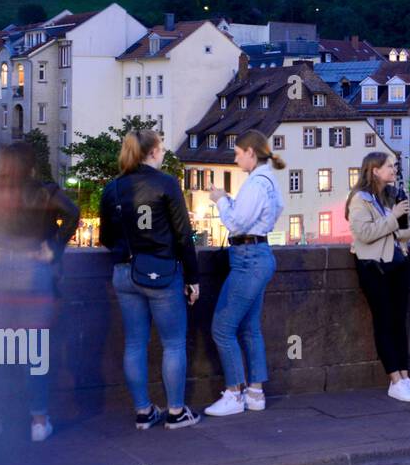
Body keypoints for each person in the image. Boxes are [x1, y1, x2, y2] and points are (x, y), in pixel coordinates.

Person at [99, 128, 202, 429]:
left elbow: (106, 236)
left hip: (124, 273)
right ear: (154, 152)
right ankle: (176, 412)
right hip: (162, 274)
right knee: (173, 344)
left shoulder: (113, 188)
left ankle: (143, 412)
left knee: (134, 344)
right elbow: (184, 235)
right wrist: (193, 277)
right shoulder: (167, 184)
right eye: (162, 148)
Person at [0, 143, 79, 442]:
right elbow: (72, 213)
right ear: (32, 165)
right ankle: (38, 421)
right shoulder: (45, 191)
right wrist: (53, 248)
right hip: (33, 271)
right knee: (35, 350)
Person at [202, 131, 286, 416]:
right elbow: (274, 212)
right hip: (259, 254)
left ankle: (234, 393)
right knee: (250, 328)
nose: (236, 157)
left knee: (222, 328)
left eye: (238, 153)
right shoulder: (270, 181)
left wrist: (220, 199)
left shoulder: (255, 183)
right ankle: (255, 392)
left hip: (248, 259)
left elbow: (237, 223)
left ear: (251, 152)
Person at [348, 150, 410, 404]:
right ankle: (394, 379)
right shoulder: (360, 199)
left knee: (399, 321)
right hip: (374, 267)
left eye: (394, 165)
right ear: (374, 170)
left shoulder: (393, 195)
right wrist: (392, 221)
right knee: (384, 320)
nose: (394, 169)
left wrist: (392, 227)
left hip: (397, 262)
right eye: (389, 166)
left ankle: (405, 375)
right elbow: (364, 233)